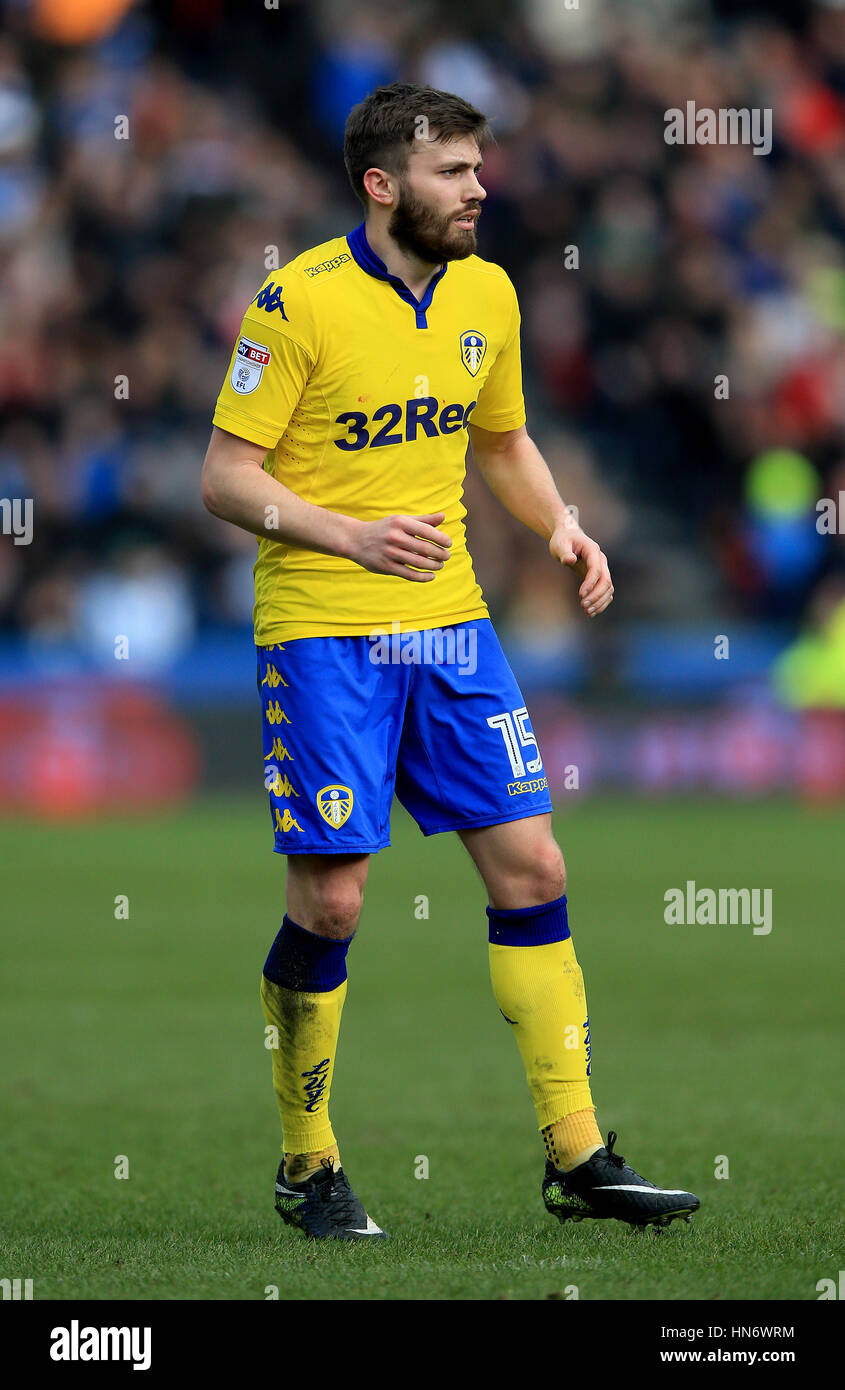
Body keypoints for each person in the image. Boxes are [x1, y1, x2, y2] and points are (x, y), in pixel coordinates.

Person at [201, 82, 699, 1240]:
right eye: (453, 172)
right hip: (323, 628)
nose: (479, 189)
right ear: (381, 186)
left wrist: (558, 523)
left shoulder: (488, 293)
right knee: (331, 902)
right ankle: (307, 1162)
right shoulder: (295, 304)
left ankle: (578, 1157)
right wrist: (350, 534)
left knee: (533, 870)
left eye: (478, 168)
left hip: (451, 626)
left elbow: (501, 438)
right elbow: (224, 477)